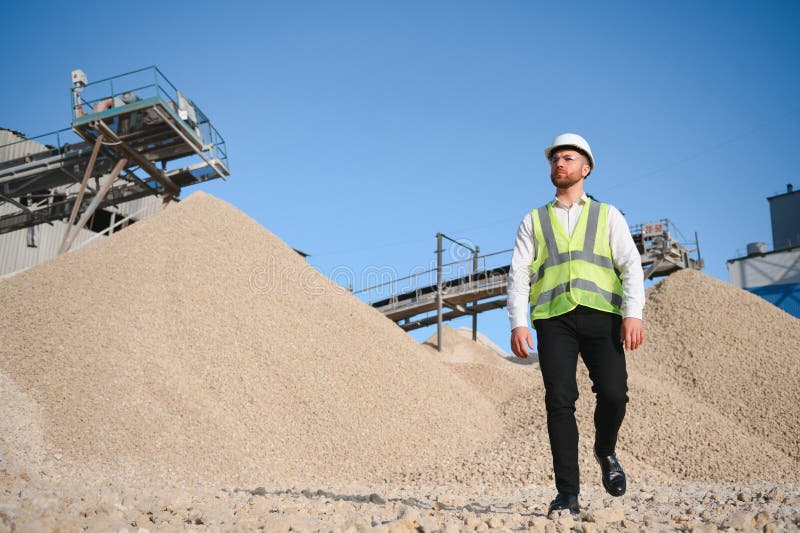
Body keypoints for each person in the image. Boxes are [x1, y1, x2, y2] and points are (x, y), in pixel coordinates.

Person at [507, 133, 645, 515]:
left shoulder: (608, 215)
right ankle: (567, 493)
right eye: (554, 160)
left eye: (568, 158)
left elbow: (631, 266)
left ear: (585, 169)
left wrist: (633, 313)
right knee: (559, 403)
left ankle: (605, 450)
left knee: (615, 394)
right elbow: (518, 276)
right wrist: (519, 323)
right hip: (553, 320)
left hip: (602, 316)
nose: (559, 164)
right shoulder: (533, 220)